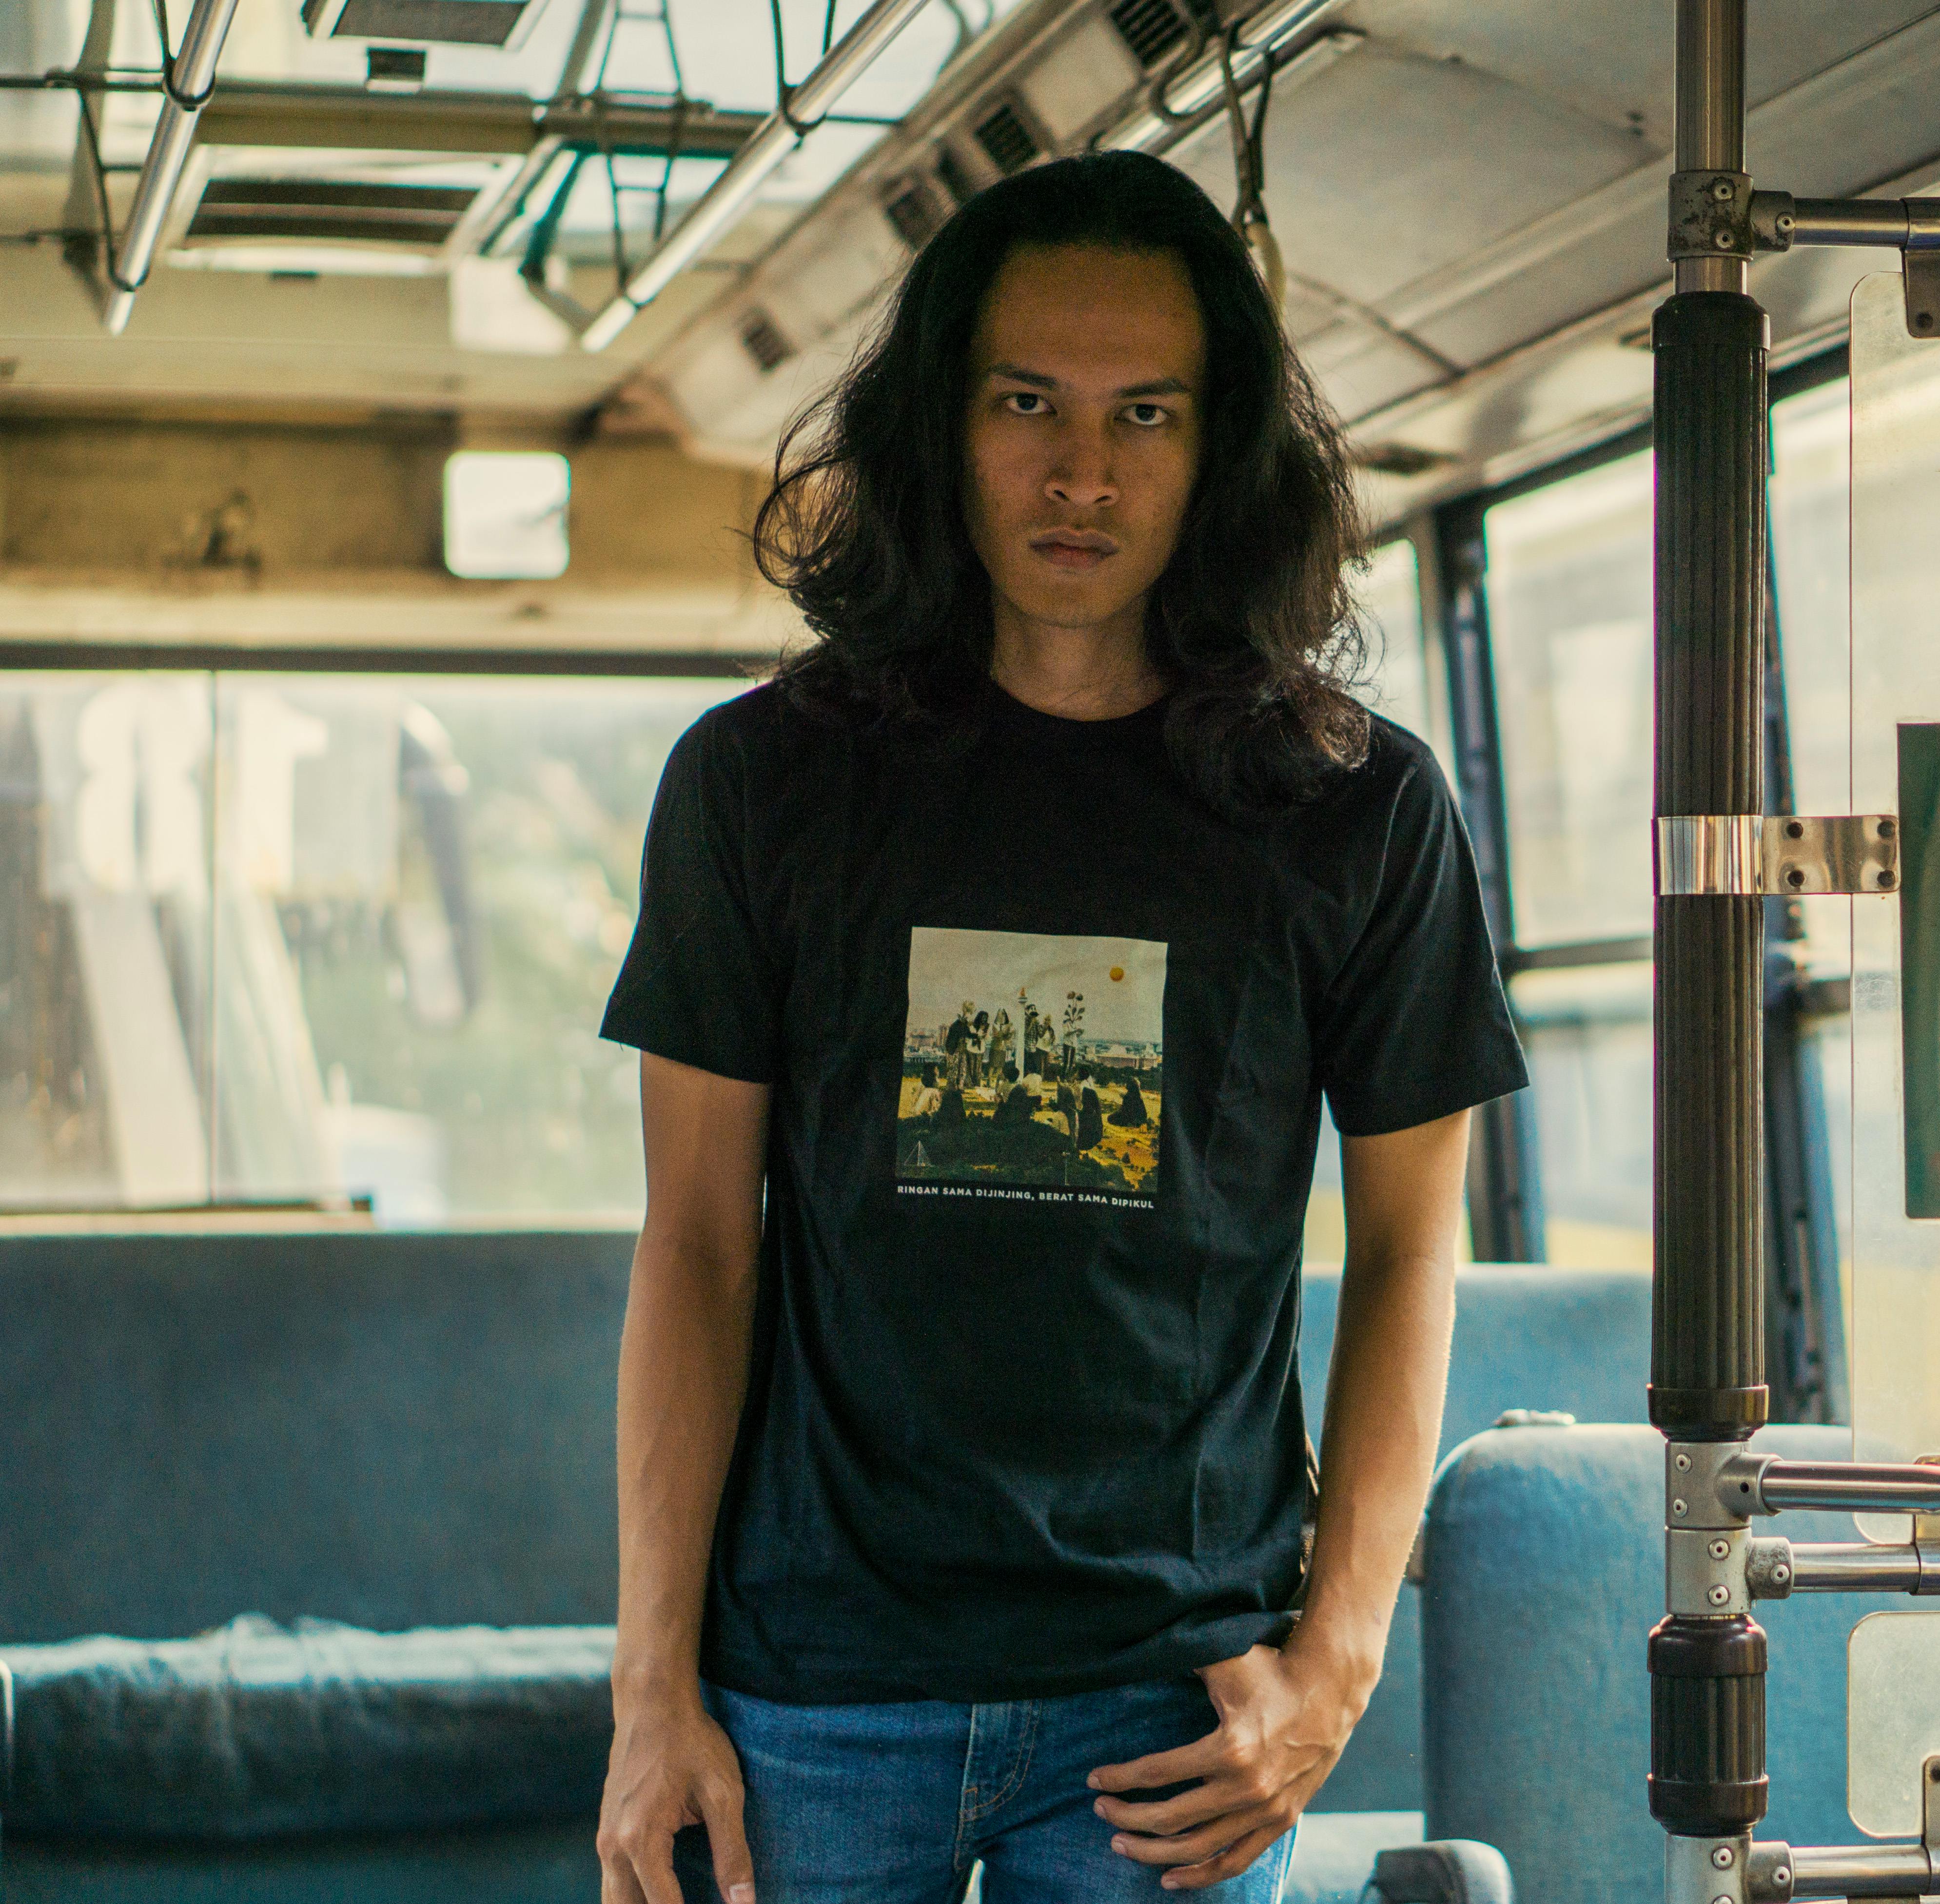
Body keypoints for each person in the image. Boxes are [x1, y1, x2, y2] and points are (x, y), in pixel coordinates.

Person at [594, 149, 1525, 1904]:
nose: (1081, 470)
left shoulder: (1357, 809)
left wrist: (1334, 1671)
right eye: (1026, 401)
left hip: (1168, 1711)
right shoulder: (759, 782)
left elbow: (1411, 1250)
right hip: (814, 1688)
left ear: (1219, 447)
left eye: (1146, 414)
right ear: (939, 428)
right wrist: (652, 1691)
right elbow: (698, 1243)